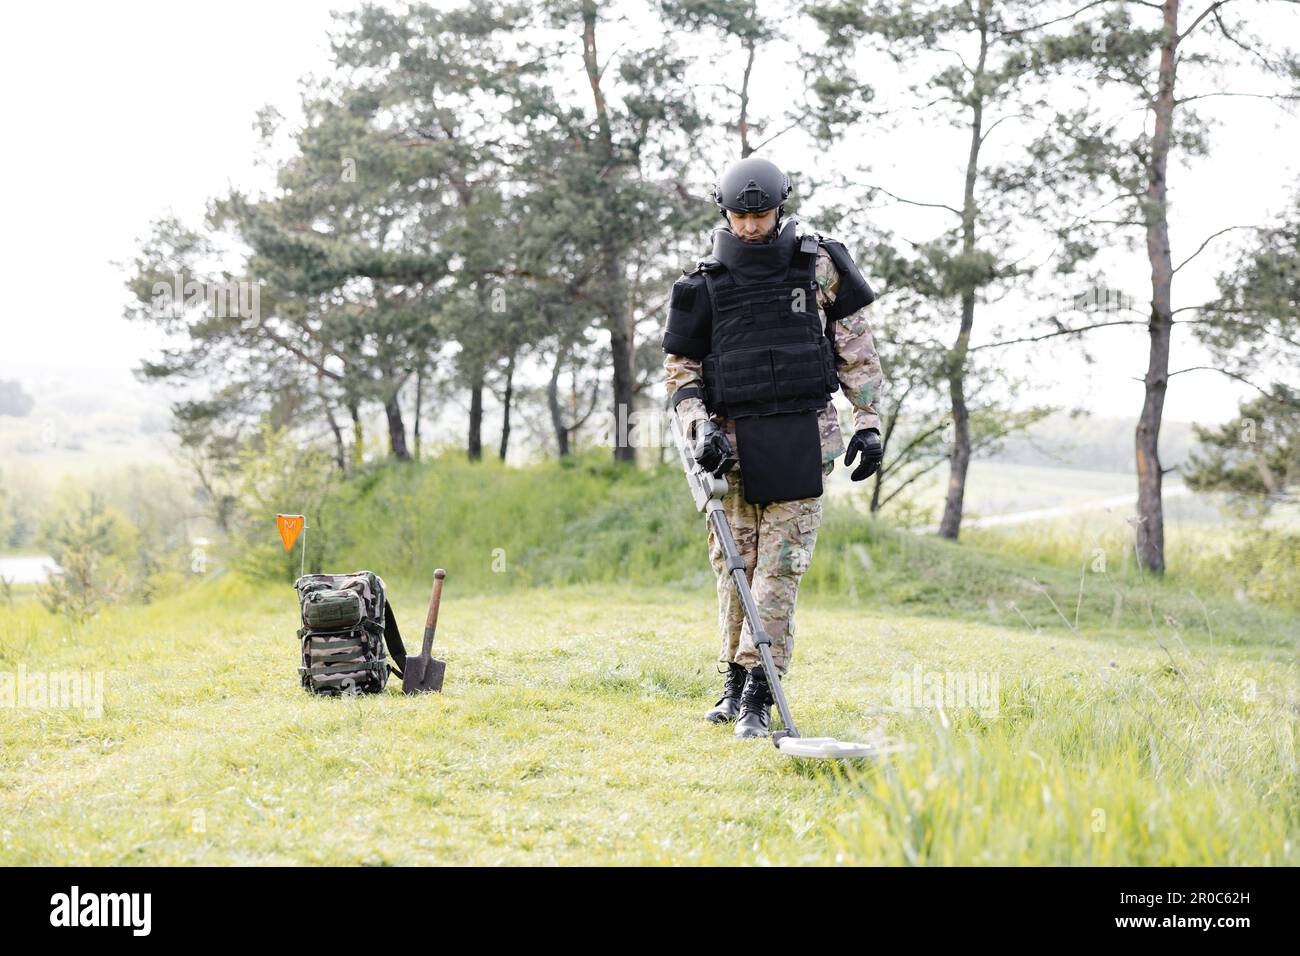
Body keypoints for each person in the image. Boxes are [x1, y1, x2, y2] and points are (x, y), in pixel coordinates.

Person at [661, 155, 885, 738]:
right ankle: (734, 687)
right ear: (725, 213)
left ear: (779, 208)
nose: (752, 227)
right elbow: (680, 370)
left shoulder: (819, 266)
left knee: (777, 572)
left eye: (761, 215)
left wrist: (868, 422)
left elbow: (855, 349)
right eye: (741, 216)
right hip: (728, 446)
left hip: (801, 438)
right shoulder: (703, 281)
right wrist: (698, 425)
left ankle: (762, 693)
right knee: (735, 569)